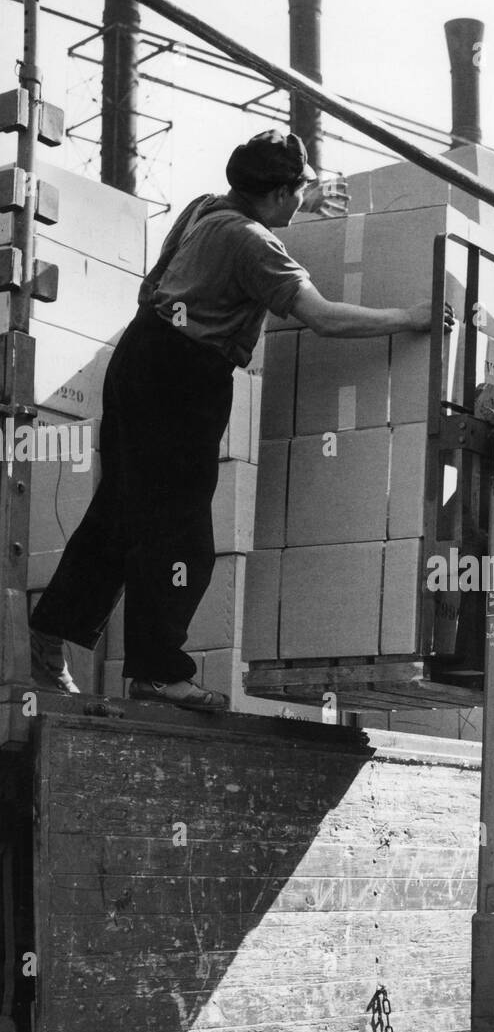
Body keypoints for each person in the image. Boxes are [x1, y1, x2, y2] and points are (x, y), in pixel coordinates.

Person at [29, 130, 454, 710]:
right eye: (300, 191)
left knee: (121, 512)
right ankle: (156, 671)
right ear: (278, 194)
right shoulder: (253, 243)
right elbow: (322, 318)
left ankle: (50, 634)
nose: (303, 201)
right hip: (184, 379)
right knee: (182, 538)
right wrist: (412, 317)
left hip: (141, 357)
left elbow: (153, 288)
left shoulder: (204, 209)